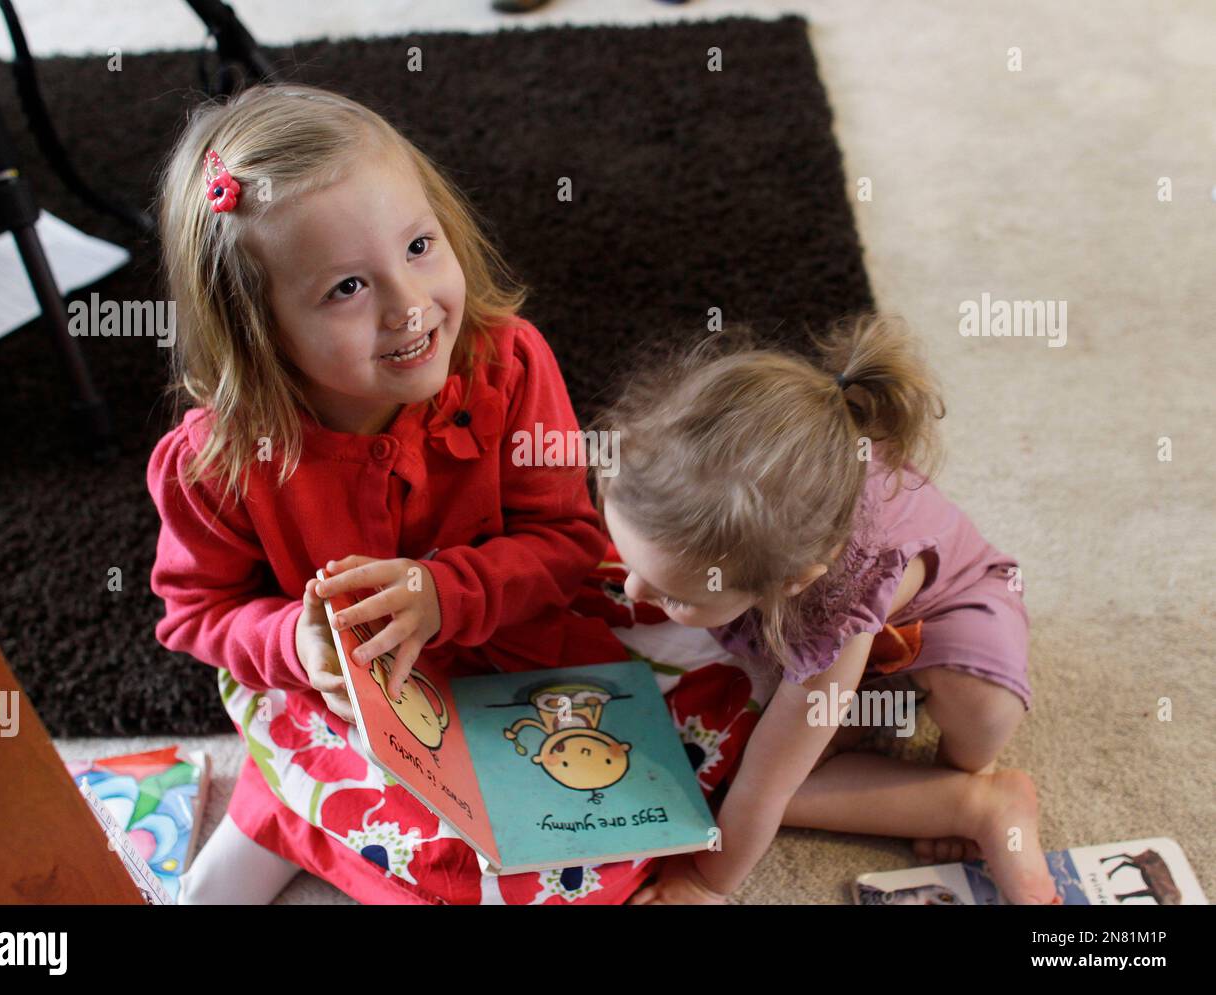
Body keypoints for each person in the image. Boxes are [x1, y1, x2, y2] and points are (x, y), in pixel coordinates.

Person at [148, 83, 759, 904]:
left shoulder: (506, 364)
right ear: (256, 326)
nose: (409, 306)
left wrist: (445, 593)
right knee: (447, 855)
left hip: (515, 636)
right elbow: (199, 612)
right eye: (346, 289)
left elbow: (567, 539)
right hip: (353, 695)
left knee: (708, 698)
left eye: (419, 246)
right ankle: (279, 810)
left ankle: (289, 813)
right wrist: (298, 641)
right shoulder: (216, 462)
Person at [591, 316, 1062, 905]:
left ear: (789, 584)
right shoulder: (732, 504)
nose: (633, 592)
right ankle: (924, 779)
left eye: (673, 592)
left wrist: (704, 881)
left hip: (954, 612)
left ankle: (975, 795)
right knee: (738, 777)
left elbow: (767, 785)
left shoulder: (831, 613)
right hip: (825, 621)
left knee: (978, 709)